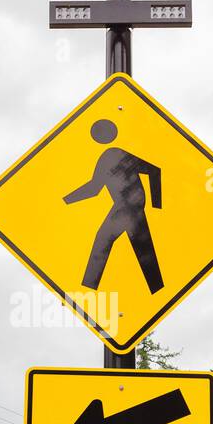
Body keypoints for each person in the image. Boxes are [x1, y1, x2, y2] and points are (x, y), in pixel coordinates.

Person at [62, 119, 164, 294]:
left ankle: (89, 287)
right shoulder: (107, 157)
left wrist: (157, 205)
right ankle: (158, 289)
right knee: (143, 248)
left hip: (128, 206)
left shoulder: (114, 154)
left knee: (103, 240)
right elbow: (94, 189)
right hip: (128, 206)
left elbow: (155, 171)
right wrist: (66, 200)